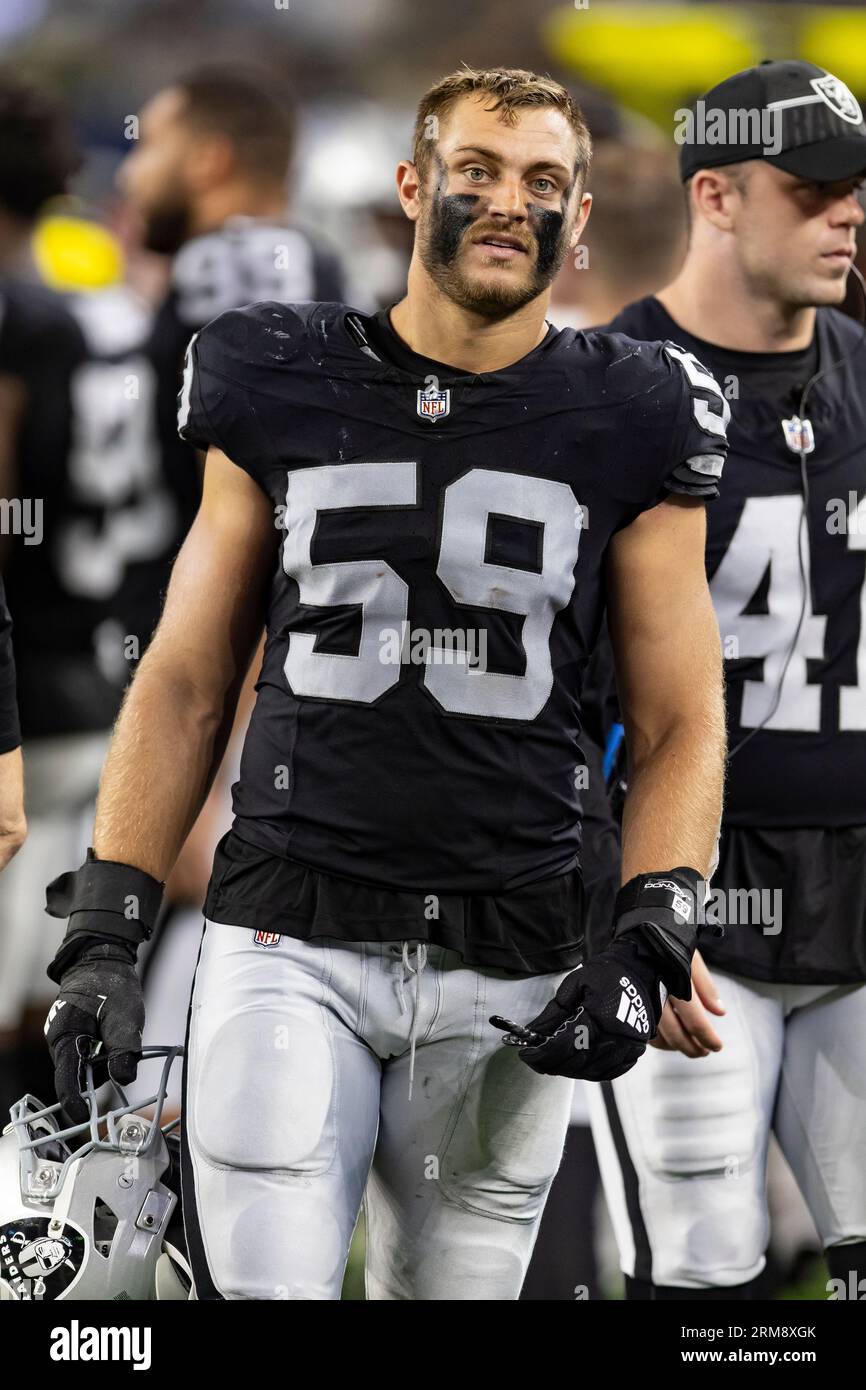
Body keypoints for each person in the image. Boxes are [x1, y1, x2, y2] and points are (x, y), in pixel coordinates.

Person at [44, 65, 728, 1301]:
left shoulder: (634, 407)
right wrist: (111, 918)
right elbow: (190, 670)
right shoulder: (276, 371)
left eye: (541, 183)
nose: (507, 203)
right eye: (475, 170)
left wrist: (653, 919)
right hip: (287, 923)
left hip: (517, 937)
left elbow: (679, 712)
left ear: (577, 222)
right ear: (414, 185)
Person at [588, 59, 866, 1299]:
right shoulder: (597, 391)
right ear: (714, 195)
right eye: (810, 190)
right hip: (685, 896)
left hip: (857, 882)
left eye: (854, 189)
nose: (844, 214)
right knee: (704, 1275)